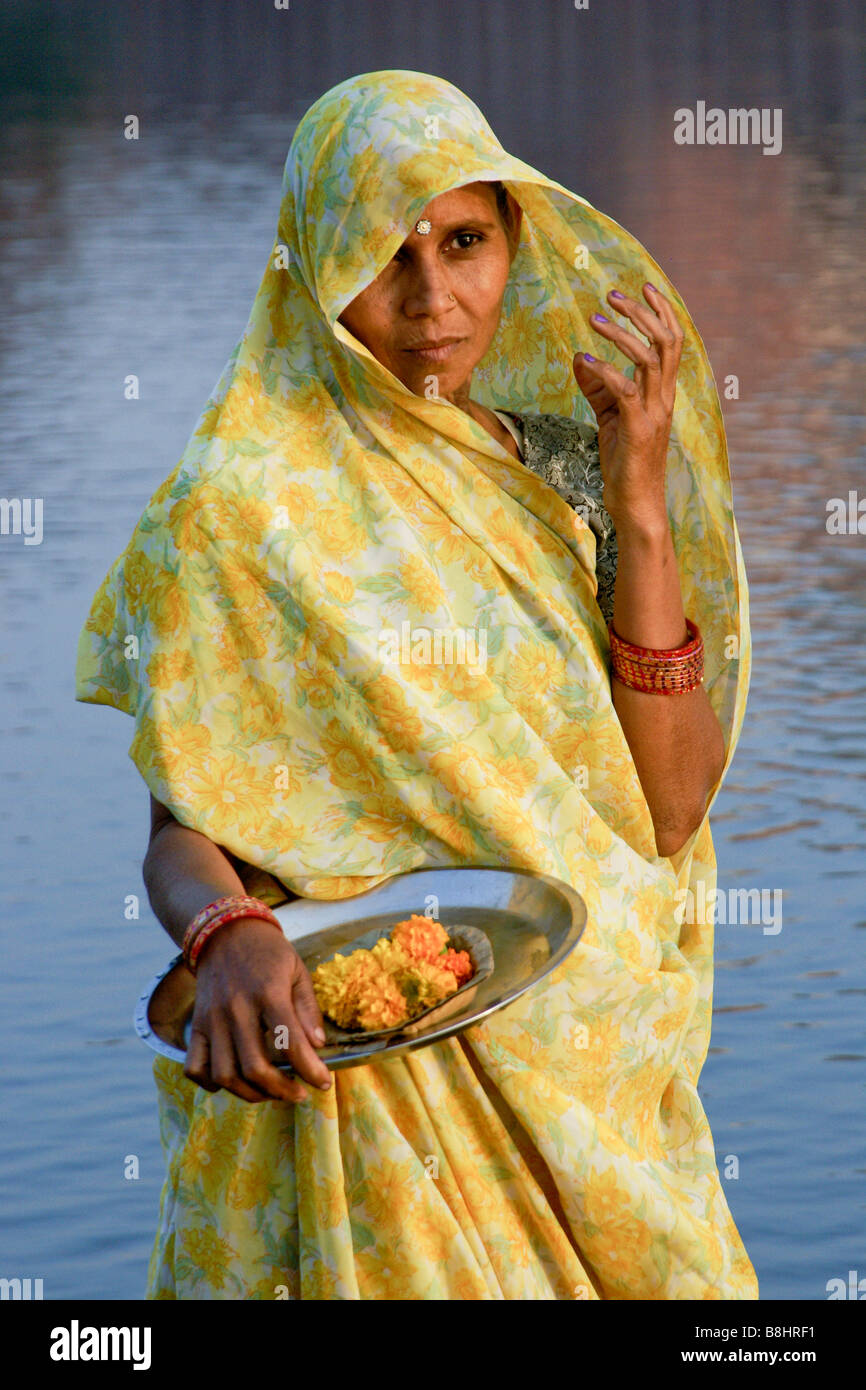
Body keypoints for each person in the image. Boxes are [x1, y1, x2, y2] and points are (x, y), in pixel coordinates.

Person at [75, 68, 757, 1299]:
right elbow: (182, 837)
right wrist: (225, 935)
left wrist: (640, 500)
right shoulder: (239, 511)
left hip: (587, 1067)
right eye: (383, 253)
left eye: (464, 242)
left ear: (515, 242)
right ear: (315, 264)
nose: (432, 298)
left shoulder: (557, 474)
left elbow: (666, 811)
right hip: (364, 1079)